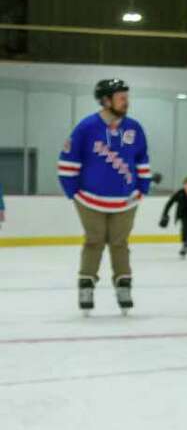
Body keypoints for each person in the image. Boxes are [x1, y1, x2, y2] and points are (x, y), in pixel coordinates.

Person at [58, 76, 150, 313]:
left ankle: (123, 284)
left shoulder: (134, 128)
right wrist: (73, 193)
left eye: (126, 97)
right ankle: (86, 283)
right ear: (106, 100)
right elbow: (68, 161)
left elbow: (142, 159)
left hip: (126, 200)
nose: (126, 101)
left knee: (120, 243)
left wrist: (142, 189)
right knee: (94, 241)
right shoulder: (86, 127)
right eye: (121, 97)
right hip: (89, 200)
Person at [158, 176, 187, 256]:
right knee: (184, 228)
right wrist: (165, 214)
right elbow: (169, 203)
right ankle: (185, 244)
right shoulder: (180, 193)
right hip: (183, 215)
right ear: (184, 185)